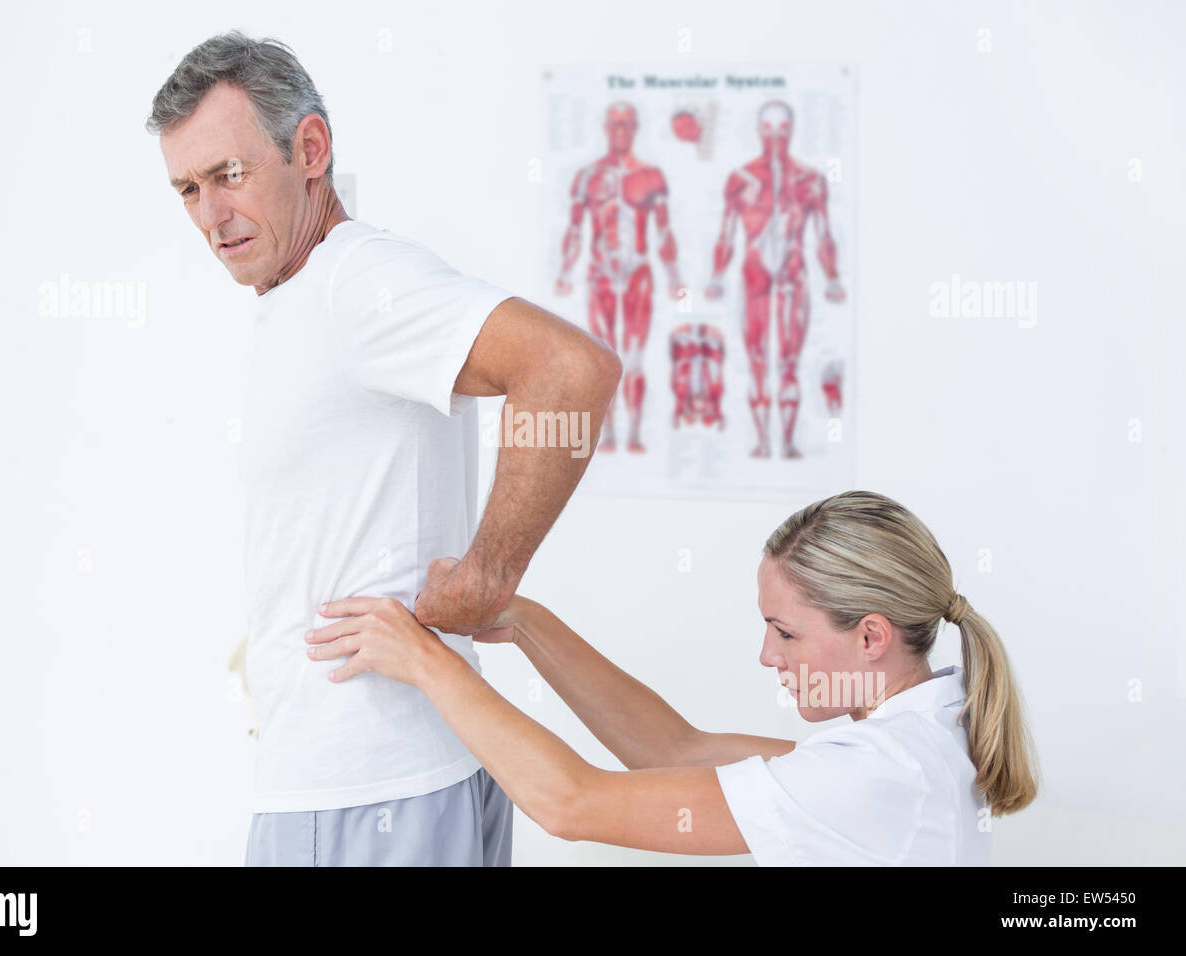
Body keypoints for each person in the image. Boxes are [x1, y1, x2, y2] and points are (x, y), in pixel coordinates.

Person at [146, 31, 621, 866]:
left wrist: (487, 577)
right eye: (188, 189)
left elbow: (569, 370)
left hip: (370, 795)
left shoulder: (358, 283)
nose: (211, 217)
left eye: (229, 175)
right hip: (371, 781)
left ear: (311, 149)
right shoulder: (305, 296)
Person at [307, 490, 1041, 865]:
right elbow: (676, 751)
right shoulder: (914, 738)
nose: (767, 657)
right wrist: (524, 621)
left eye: (785, 632)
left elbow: (572, 803)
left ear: (872, 636)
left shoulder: (876, 776)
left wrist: (424, 662)